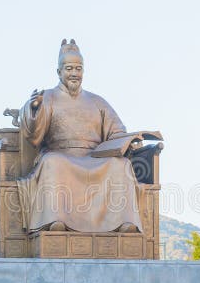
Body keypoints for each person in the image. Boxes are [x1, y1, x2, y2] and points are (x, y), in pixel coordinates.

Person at [17, 39, 143, 234]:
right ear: (59, 72)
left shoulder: (97, 101)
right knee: (53, 162)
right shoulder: (48, 97)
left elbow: (117, 131)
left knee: (121, 165)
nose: (74, 73)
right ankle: (54, 220)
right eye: (69, 69)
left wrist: (128, 142)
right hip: (61, 154)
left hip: (94, 157)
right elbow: (33, 134)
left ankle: (123, 222)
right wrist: (33, 108)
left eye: (78, 69)